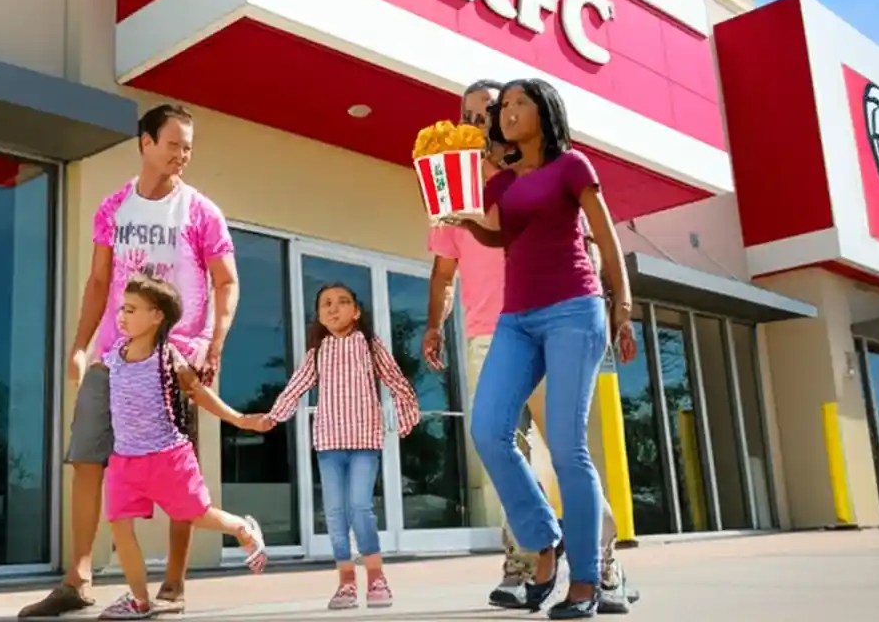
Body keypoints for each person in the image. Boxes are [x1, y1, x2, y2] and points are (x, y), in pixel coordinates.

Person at [423, 81, 638, 613]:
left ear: (543, 113)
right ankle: (545, 539)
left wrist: (622, 305)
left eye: (514, 104)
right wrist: (467, 218)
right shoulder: (495, 185)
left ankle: (587, 578)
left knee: (566, 448)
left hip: (572, 311)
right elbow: (495, 237)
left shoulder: (571, 166)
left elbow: (605, 237)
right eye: (502, 108)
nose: (503, 114)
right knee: (488, 430)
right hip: (514, 320)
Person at [20, 103, 240, 618]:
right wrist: (80, 345)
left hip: (174, 360)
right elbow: (99, 282)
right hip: (113, 358)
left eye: (188, 147)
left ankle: (173, 585)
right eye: (173, 144)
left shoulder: (200, 212)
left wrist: (214, 343)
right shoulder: (113, 208)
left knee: (178, 473)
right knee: (87, 455)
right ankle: (77, 579)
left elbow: (226, 281)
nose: (182, 154)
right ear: (145, 143)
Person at [98, 272, 267, 619]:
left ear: (156, 316)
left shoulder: (168, 358)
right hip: (124, 459)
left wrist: (238, 419)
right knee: (119, 524)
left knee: (195, 515)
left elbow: (199, 394)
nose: (122, 315)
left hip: (167, 457)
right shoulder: (116, 353)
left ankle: (242, 528)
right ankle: (140, 601)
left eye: (132, 309)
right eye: (122, 308)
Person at [257, 283, 421, 611]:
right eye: (326, 304)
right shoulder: (318, 352)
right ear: (319, 316)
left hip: (365, 441)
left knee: (360, 506)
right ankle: (346, 581)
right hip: (329, 442)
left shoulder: (370, 345)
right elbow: (296, 387)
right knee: (334, 512)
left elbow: (396, 380)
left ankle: (376, 577)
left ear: (356, 312)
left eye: (343, 302)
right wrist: (273, 417)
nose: (334, 308)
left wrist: (407, 417)